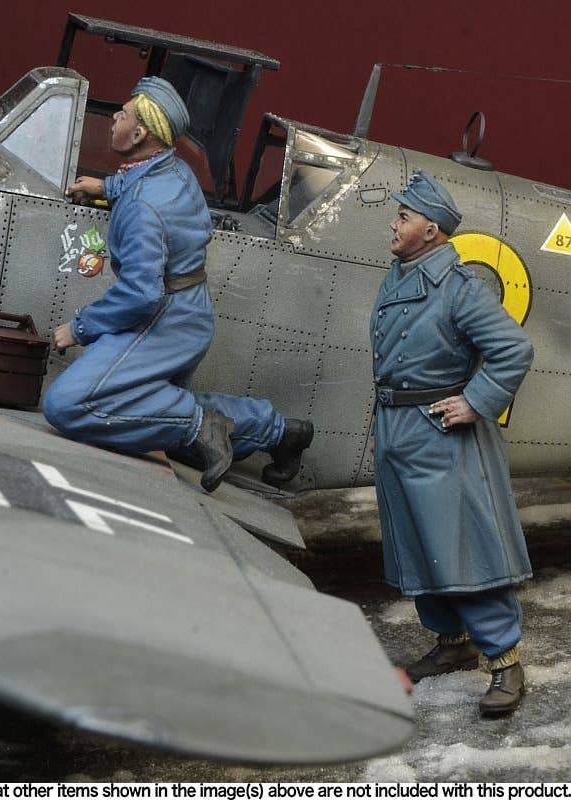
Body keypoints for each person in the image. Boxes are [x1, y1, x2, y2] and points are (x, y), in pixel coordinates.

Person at [42, 76, 313, 492]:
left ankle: (203, 426)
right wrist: (108, 186)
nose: (115, 116)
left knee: (67, 404)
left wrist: (79, 327)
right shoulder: (173, 169)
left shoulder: (142, 207)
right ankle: (279, 432)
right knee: (149, 406)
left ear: (140, 133)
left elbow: (141, 293)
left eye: (125, 113)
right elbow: (147, 183)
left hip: (162, 316)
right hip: (190, 309)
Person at [370, 170, 534, 716]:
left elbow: (512, 349)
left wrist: (475, 401)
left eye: (405, 216)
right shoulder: (400, 275)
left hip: (440, 434)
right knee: (419, 544)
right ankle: (450, 642)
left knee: (463, 550)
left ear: (432, 230)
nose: (394, 222)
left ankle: (506, 662)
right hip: (401, 428)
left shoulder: (460, 289)